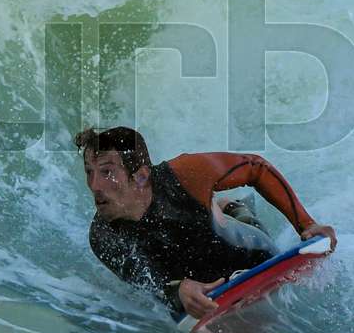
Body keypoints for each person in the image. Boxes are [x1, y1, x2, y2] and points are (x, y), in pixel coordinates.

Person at [76, 126, 337, 321]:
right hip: (197, 285)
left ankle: (234, 207)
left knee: (238, 224)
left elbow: (255, 168)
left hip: (251, 255)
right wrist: (179, 291)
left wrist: (306, 224)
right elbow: (148, 280)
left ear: (141, 177)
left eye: (107, 172)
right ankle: (223, 207)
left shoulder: (185, 174)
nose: (93, 186)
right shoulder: (102, 236)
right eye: (89, 172)